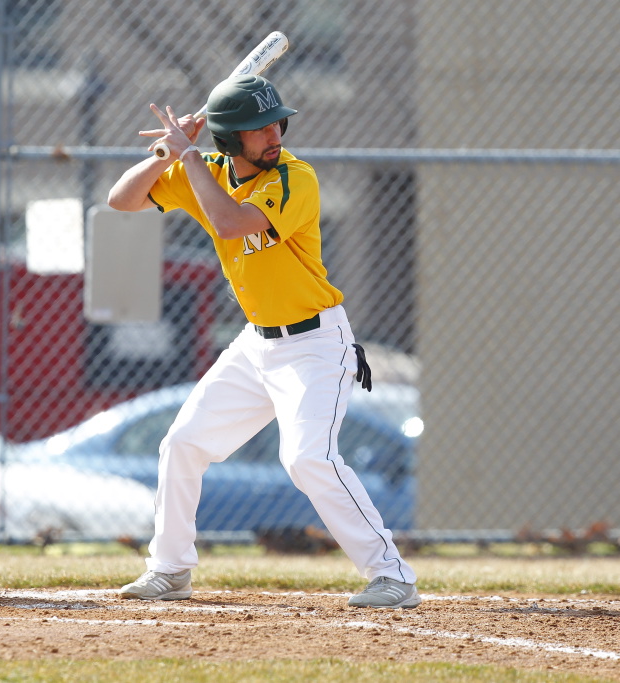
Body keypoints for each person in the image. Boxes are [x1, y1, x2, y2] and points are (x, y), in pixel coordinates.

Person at [107, 75, 419, 609]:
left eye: (276, 122)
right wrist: (168, 152)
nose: (273, 133)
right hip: (256, 346)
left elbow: (230, 224)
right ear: (229, 140)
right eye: (257, 128)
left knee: (306, 458)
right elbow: (121, 199)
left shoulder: (296, 178)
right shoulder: (207, 172)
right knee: (182, 443)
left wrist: (191, 160)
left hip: (316, 344)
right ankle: (170, 569)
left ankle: (392, 575)